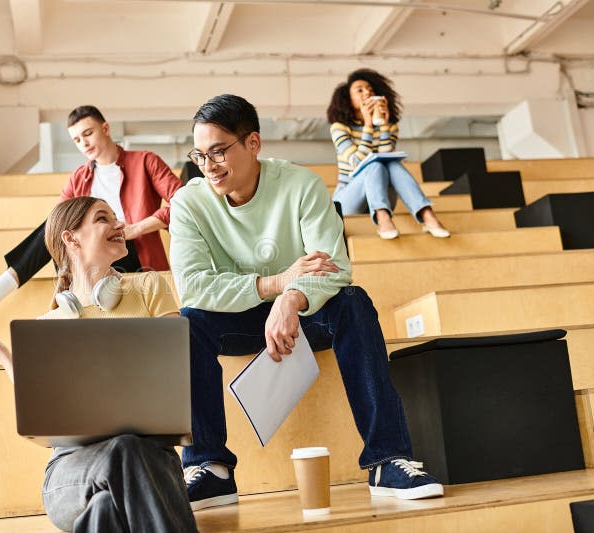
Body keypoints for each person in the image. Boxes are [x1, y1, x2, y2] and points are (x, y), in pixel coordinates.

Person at [170, 94, 444, 511]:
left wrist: (292, 298)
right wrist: (277, 283)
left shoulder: (300, 185)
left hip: (306, 315)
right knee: (186, 322)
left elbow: (334, 269)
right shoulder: (188, 202)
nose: (209, 166)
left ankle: (388, 459)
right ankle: (211, 469)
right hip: (236, 320)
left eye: (220, 151)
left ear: (253, 143)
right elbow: (193, 288)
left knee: (352, 302)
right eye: (201, 155)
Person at [0, 196, 198, 533]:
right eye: (103, 218)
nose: (118, 225)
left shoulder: (150, 286)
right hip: (71, 475)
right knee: (122, 453)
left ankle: (99, 517)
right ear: (71, 238)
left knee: (106, 507)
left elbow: (177, 370)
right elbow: (41, 402)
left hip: (151, 466)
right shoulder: (49, 322)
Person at [0, 105, 183, 327]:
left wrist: (135, 228)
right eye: (77, 140)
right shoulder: (79, 177)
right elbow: (59, 223)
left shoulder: (145, 161)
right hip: (92, 257)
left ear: (106, 129)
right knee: (54, 226)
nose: (83, 143)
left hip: (136, 253)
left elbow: (182, 203)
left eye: (88, 133)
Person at [327, 69, 450, 240]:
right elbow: (357, 162)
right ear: (348, 99)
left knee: (391, 163)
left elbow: (386, 156)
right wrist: (368, 125)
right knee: (374, 164)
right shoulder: (339, 127)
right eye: (360, 90)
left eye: (370, 89)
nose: (367, 92)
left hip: (381, 191)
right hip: (349, 197)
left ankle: (426, 214)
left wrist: (383, 124)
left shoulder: (390, 126)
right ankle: (383, 217)